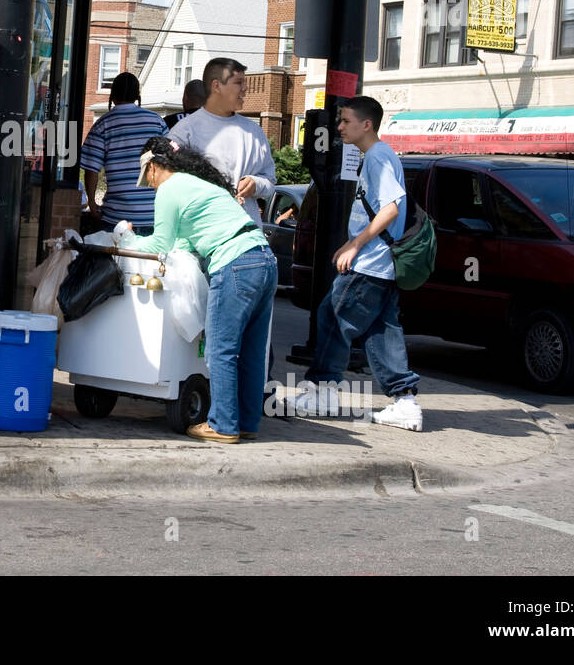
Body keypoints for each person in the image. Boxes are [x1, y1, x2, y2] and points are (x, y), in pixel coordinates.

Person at [118, 136, 277, 443]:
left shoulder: (169, 189)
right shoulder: (202, 186)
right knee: (252, 351)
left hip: (234, 264)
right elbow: (184, 242)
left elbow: (160, 245)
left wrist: (127, 240)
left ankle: (222, 425)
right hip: (264, 259)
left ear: (151, 167)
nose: (149, 185)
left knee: (221, 349)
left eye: (146, 178)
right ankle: (246, 422)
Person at [292, 95, 423, 431]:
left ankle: (322, 391)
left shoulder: (378, 157)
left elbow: (391, 207)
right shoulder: (380, 155)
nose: (339, 127)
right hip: (384, 265)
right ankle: (405, 401)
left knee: (332, 318)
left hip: (370, 263)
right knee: (382, 332)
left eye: (346, 120)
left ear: (367, 124)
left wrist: (353, 244)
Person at [168, 58, 276, 227]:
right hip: (200, 237)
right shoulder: (184, 131)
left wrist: (256, 184)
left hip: (245, 238)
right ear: (216, 86)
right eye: (238, 83)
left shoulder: (254, 132)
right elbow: (165, 180)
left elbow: (270, 181)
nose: (245, 89)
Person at [80, 72, 168, 235]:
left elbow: (92, 170)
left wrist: (92, 204)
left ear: (113, 95)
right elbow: (169, 164)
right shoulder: (157, 122)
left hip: (116, 218)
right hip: (153, 215)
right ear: (137, 95)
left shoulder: (103, 124)